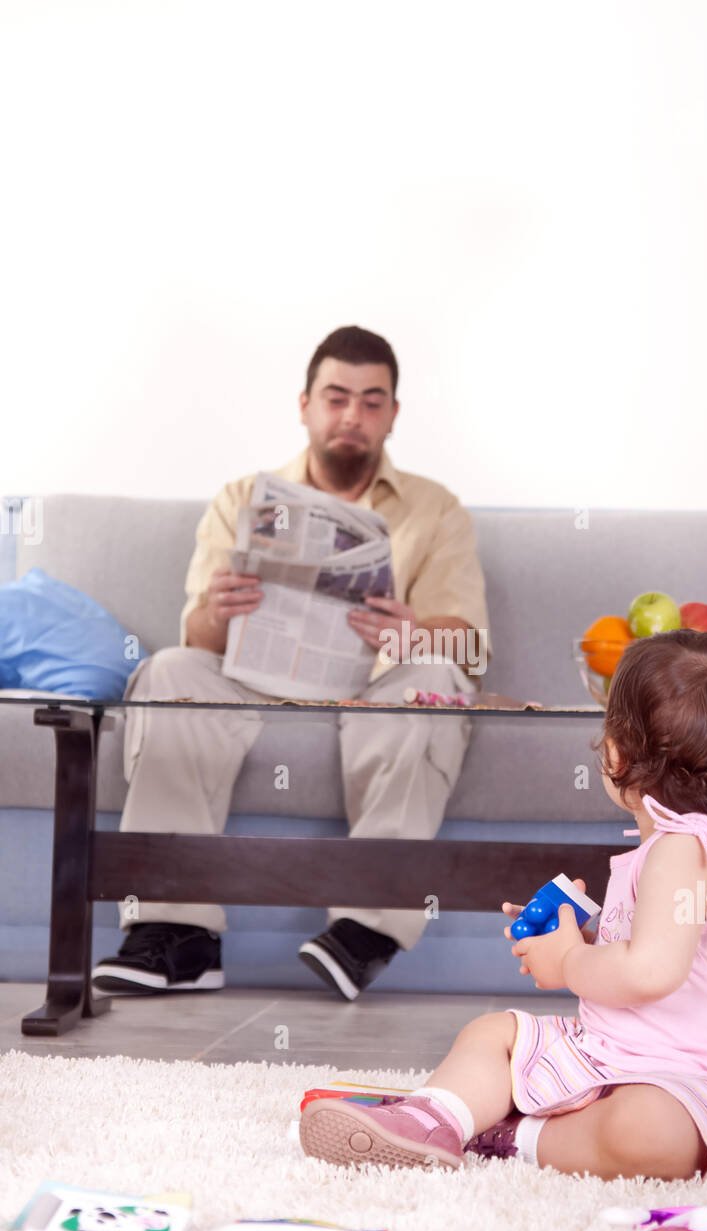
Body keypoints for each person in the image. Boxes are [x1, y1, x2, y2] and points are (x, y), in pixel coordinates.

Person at [92, 326, 490, 1001]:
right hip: (253, 683)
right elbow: (196, 637)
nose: (351, 417)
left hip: (375, 694)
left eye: (371, 402)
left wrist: (416, 631)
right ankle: (177, 938)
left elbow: (471, 647)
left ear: (393, 414)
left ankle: (366, 931)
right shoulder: (243, 498)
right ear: (304, 404)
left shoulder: (436, 509)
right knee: (168, 671)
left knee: (439, 681)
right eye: (336, 398)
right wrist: (219, 608)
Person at [299, 629, 707, 1179]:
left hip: (697, 1091)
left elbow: (650, 972)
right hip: (615, 1054)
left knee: (645, 1130)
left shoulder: (683, 850)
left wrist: (568, 963)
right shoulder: (691, 844)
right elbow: (657, 950)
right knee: (496, 1033)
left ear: (615, 753)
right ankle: (434, 1116)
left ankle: (502, 1133)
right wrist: (582, 937)